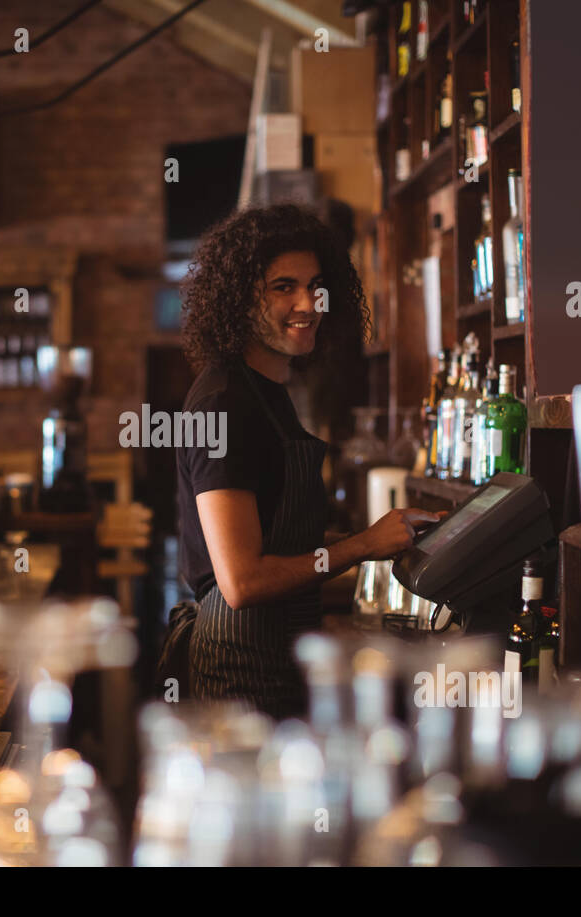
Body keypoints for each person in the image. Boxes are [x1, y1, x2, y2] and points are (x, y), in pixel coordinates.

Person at [168, 204, 441, 720]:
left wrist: (375, 541)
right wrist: (362, 546)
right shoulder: (223, 403)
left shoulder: (266, 391)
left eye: (316, 284)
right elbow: (241, 581)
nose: (308, 302)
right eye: (282, 287)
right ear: (238, 298)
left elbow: (275, 542)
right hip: (240, 670)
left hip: (278, 654)